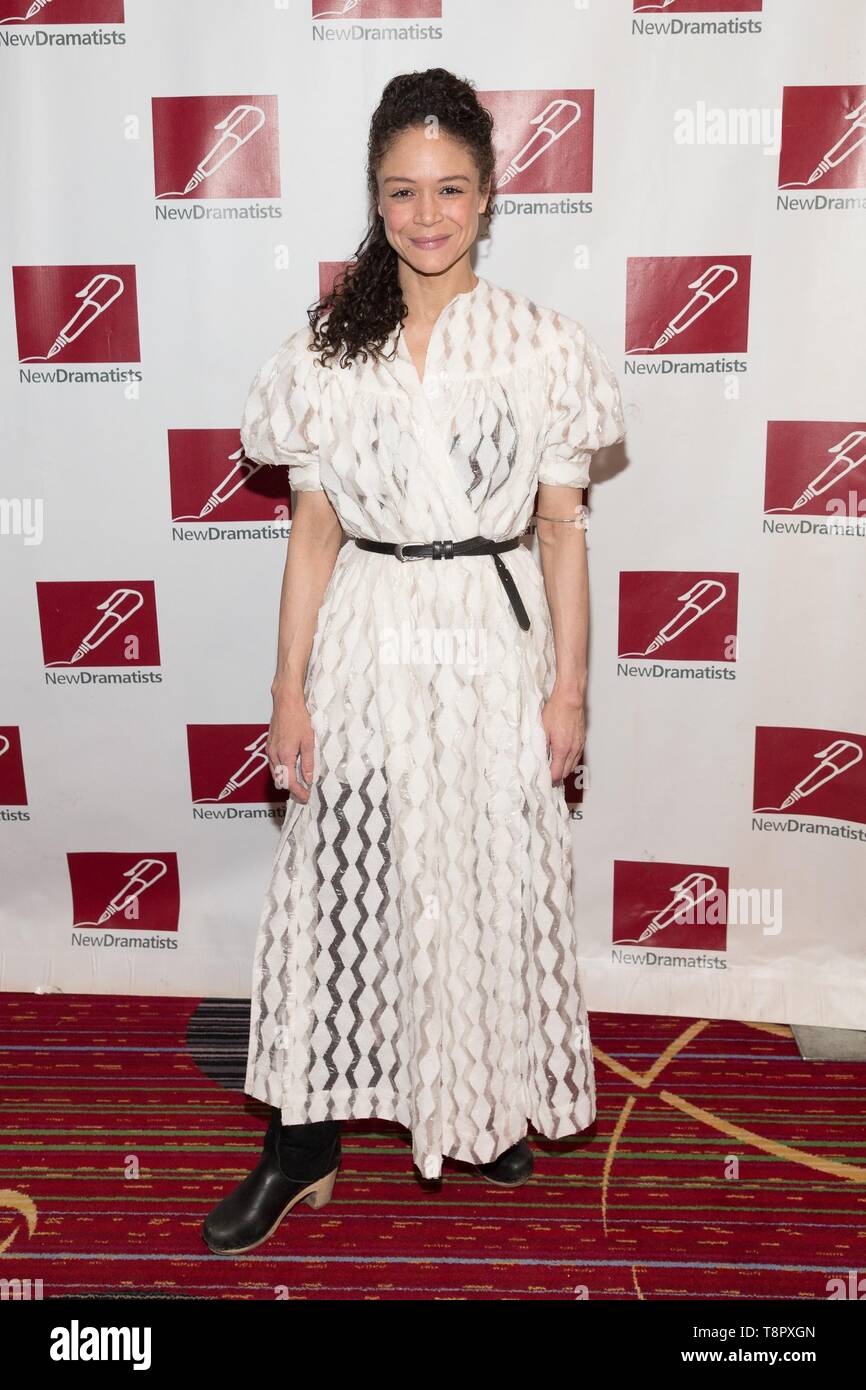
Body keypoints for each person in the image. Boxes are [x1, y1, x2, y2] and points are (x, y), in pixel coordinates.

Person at [202, 66, 626, 1255]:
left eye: (449, 188)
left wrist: (568, 691)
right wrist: (286, 690)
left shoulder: (544, 347)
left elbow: (558, 531)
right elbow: (313, 532)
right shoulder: (330, 352)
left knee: (482, 869)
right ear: (374, 199)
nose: (425, 214)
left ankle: (480, 1097)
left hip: (490, 643)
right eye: (401, 191)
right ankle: (302, 1144)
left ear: (489, 195)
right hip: (368, 637)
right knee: (339, 886)